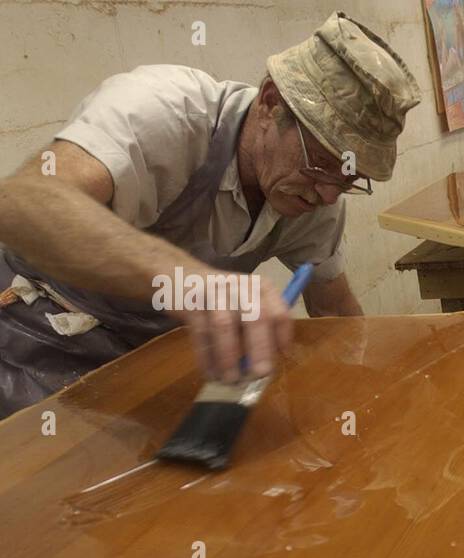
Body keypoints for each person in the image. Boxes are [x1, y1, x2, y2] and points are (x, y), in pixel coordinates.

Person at [0, 12, 421, 417]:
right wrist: (189, 282)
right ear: (271, 102)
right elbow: (23, 202)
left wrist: (373, 394)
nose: (331, 193)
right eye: (323, 162)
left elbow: (334, 311)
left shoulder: (316, 196)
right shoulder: (162, 110)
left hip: (156, 355)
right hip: (39, 331)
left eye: (350, 177)